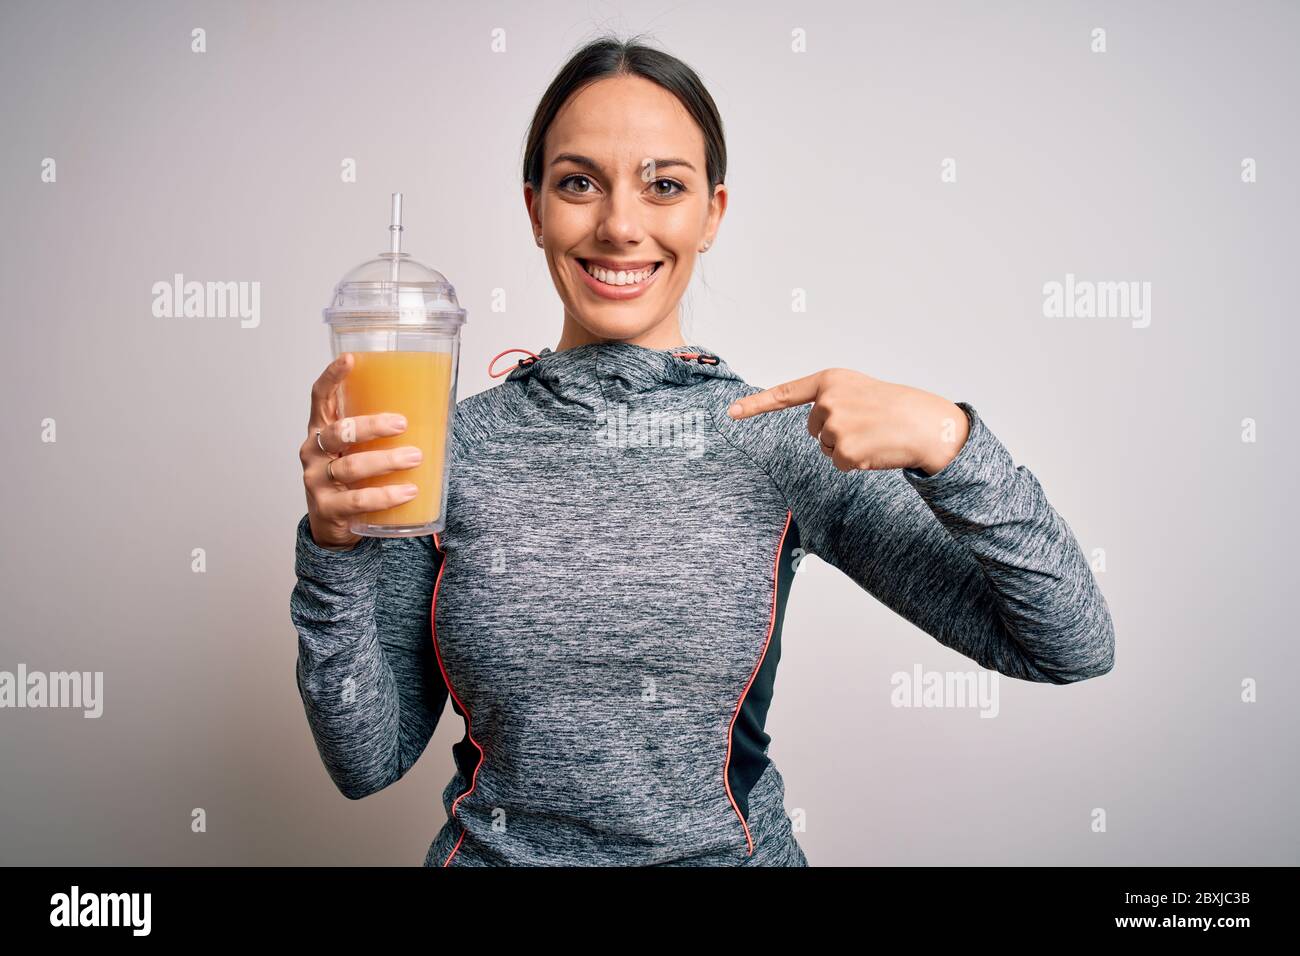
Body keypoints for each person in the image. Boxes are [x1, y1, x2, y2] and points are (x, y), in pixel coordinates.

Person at [291, 35, 1115, 867]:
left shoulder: (775, 443)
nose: (620, 225)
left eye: (664, 186)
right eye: (580, 183)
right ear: (535, 207)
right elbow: (367, 760)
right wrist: (332, 551)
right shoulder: (445, 449)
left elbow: (1067, 644)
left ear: (711, 214)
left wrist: (953, 442)